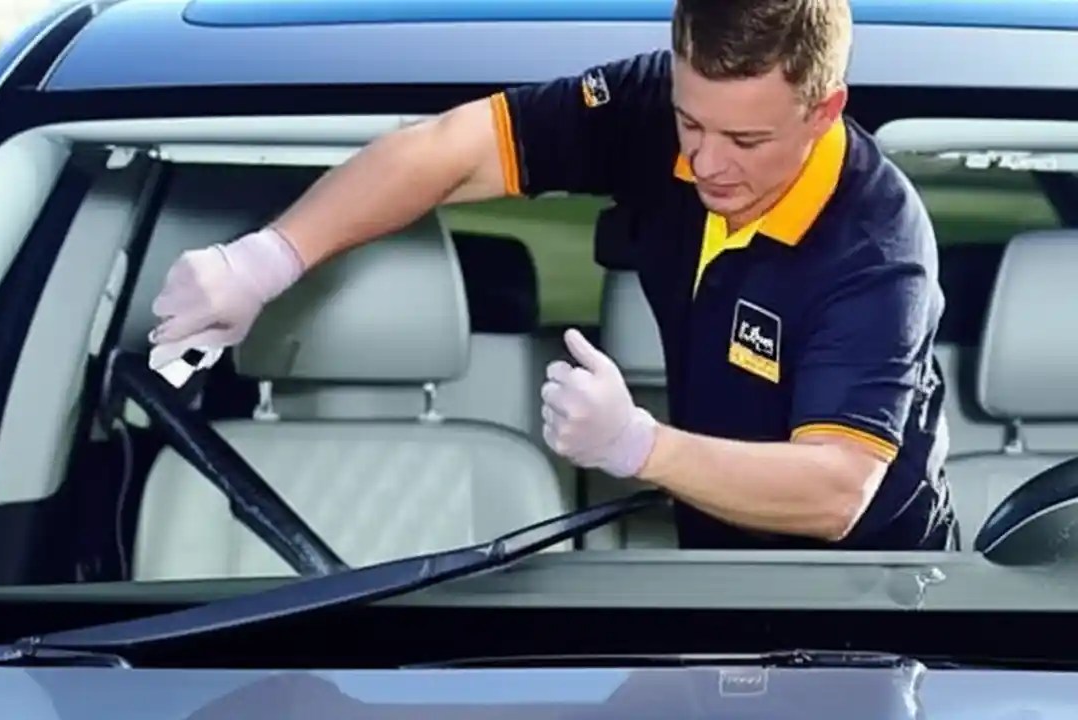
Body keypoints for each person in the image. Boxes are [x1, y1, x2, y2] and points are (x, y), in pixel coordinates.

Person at [148, 0, 957, 551]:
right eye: (689, 120)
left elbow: (835, 492)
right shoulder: (653, 110)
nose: (704, 160)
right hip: (715, 587)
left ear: (824, 109)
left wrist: (636, 445)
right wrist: (266, 259)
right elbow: (449, 153)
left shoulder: (876, 249)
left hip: (874, 610)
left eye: (744, 140)